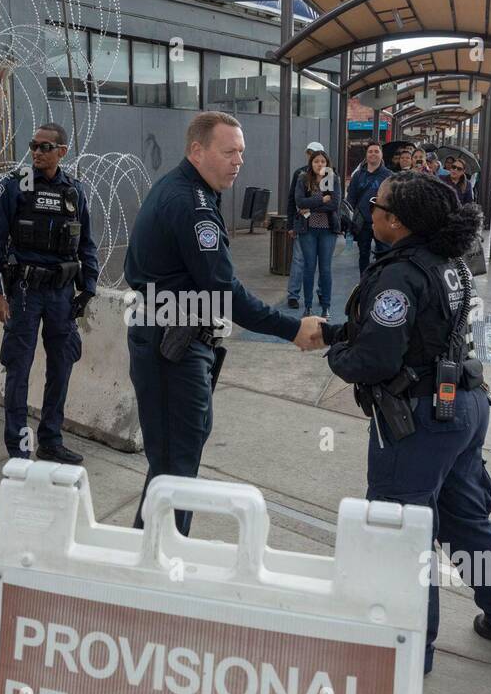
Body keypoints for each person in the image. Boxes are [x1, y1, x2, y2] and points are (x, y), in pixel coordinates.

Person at [322, 171, 491, 674]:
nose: (368, 210)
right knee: (464, 518)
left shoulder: (399, 274)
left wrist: (335, 353)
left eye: (376, 204)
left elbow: (375, 357)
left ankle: (411, 652)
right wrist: (338, 331)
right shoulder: (449, 261)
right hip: (463, 405)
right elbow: (414, 331)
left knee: (405, 533)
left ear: (395, 221)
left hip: (419, 421)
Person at [126, 112, 324, 536]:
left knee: (174, 461)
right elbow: (225, 293)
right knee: (177, 467)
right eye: (228, 151)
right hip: (171, 347)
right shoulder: (191, 206)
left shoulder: (185, 191)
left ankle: (147, 554)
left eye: (241, 152)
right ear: (197, 151)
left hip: (170, 338)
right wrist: (292, 329)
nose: (238, 161)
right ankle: (159, 565)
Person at [0, 122, 99, 463]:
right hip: (25, 292)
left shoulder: (73, 192)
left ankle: (50, 441)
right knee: (19, 368)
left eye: (45, 147)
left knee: (62, 366)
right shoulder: (16, 188)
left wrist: (87, 289)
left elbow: (86, 244)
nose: (36, 151)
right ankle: (19, 449)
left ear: (62, 152)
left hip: (62, 294)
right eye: (33, 145)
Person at [291, 149, 340, 318]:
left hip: (328, 230)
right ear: (311, 163)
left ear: (327, 163)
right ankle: (308, 306)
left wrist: (310, 205)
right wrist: (321, 199)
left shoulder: (332, 179)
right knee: (309, 268)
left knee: (325, 269)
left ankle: (326, 306)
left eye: (323, 161)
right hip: (308, 230)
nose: (320, 164)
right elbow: (299, 201)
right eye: (316, 161)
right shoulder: (303, 179)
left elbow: (334, 205)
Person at [286, 140, 326, 309]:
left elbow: (333, 202)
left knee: (323, 261)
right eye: (310, 154)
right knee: (299, 260)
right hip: (303, 224)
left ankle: (322, 292)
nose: (312, 157)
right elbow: (294, 200)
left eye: (316, 155)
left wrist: (308, 204)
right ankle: (293, 295)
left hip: (324, 224)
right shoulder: (299, 174)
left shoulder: (329, 175)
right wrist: (290, 224)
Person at [345, 140, 393, 274]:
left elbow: (393, 199)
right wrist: (350, 220)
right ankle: (364, 283)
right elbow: (351, 199)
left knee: (384, 254)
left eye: (376, 151)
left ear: (381, 155)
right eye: (370, 151)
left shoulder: (389, 175)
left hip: (382, 222)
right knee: (363, 255)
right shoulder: (358, 176)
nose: (373, 154)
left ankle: (382, 282)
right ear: (366, 155)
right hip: (363, 223)